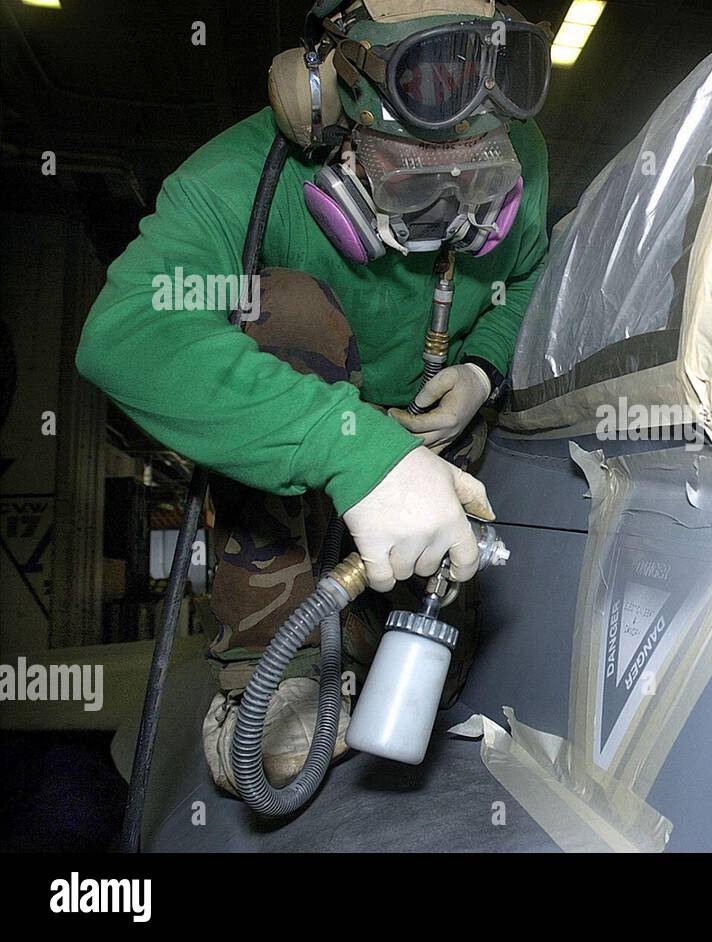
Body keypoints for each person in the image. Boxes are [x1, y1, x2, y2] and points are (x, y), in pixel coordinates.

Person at [76, 0, 551, 792]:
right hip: (302, 427)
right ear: (327, 97)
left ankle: (374, 630)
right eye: (423, 169)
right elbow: (126, 335)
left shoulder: (522, 152)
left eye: (480, 161)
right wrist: (356, 450)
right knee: (281, 305)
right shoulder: (233, 182)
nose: (459, 191)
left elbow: (533, 267)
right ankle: (276, 656)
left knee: (438, 674)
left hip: (438, 437)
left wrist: (482, 370)